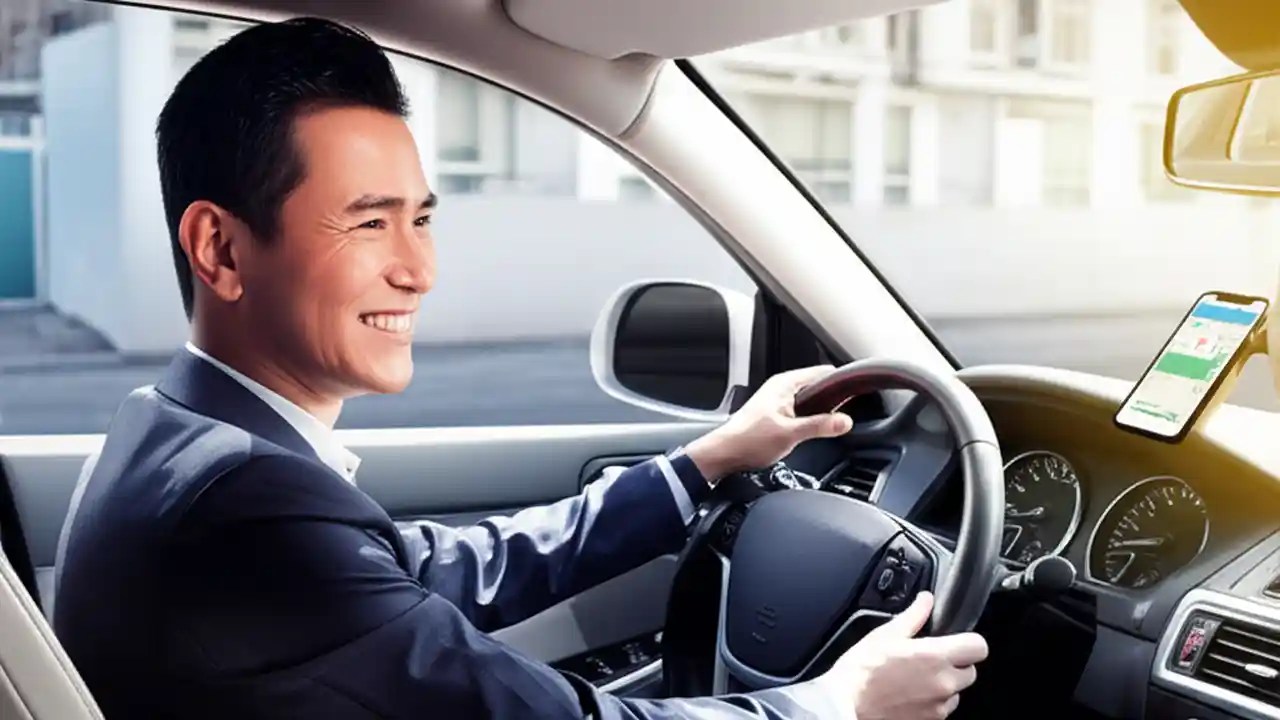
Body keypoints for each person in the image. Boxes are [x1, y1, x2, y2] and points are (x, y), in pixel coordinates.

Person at [52, 17, 987, 719]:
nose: (419, 270)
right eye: (369, 221)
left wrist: (704, 464)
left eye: (421, 219)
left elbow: (432, 574)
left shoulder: (172, 429)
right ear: (219, 249)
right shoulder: (249, 504)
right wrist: (837, 704)